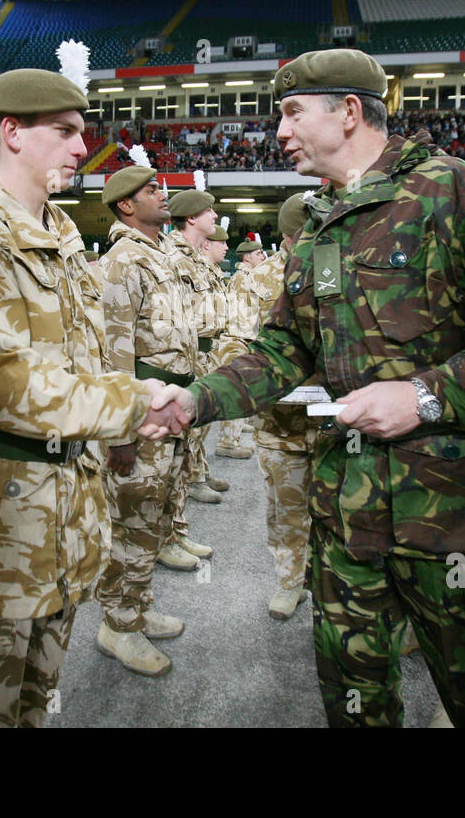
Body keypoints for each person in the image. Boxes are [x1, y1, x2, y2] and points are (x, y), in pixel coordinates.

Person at [151, 48, 465, 727]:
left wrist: (426, 395)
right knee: (354, 698)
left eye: (293, 113)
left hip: (455, 519)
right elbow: (284, 348)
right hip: (347, 517)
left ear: (349, 112)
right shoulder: (320, 224)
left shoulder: (452, 190)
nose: (281, 132)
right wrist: (196, 399)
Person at [0, 64, 177, 727]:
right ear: (11, 133)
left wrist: (114, 431)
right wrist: (130, 406)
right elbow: (2, 386)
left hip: (66, 511)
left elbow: (86, 355)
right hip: (2, 525)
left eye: (80, 134)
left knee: (37, 700)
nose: (78, 148)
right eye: (64, 132)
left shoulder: (62, 243)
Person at [93, 166, 197, 676]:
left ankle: (137, 605)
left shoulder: (160, 255)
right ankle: (118, 625)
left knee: (153, 517)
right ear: (127, 206)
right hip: (141, 414)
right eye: (152, 190)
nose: (163, 195)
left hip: (170, 408)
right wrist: (121, 431)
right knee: (131, 523)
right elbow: (114, 354)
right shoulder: (120, 261)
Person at [250, 197, 319, 620]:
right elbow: (236, 341)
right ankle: (290, 582)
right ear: (291, 237)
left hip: (335, 423)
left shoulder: (341, 272)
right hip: (282, 422)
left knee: (339, 511)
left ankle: (331, 584)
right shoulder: (258, 279)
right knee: (287, 510)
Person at [159, 189, 220, 563]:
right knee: (170, 455)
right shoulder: (171, 256)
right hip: (179, 359)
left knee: (184, 452)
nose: (215, 215)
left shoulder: (197, 259)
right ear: (192, 218)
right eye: (208, 211)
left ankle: (177, 530)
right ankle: (165, 537)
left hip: (199, 357)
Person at [216, 237, 266, 459]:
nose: (263, 257)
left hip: (242, 337)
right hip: (237, 338)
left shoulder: (245, 277)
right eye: (258, 254)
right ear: (247, 257)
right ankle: (228, 442)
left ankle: (235, 428)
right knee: (236, 391)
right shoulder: (243, 279)